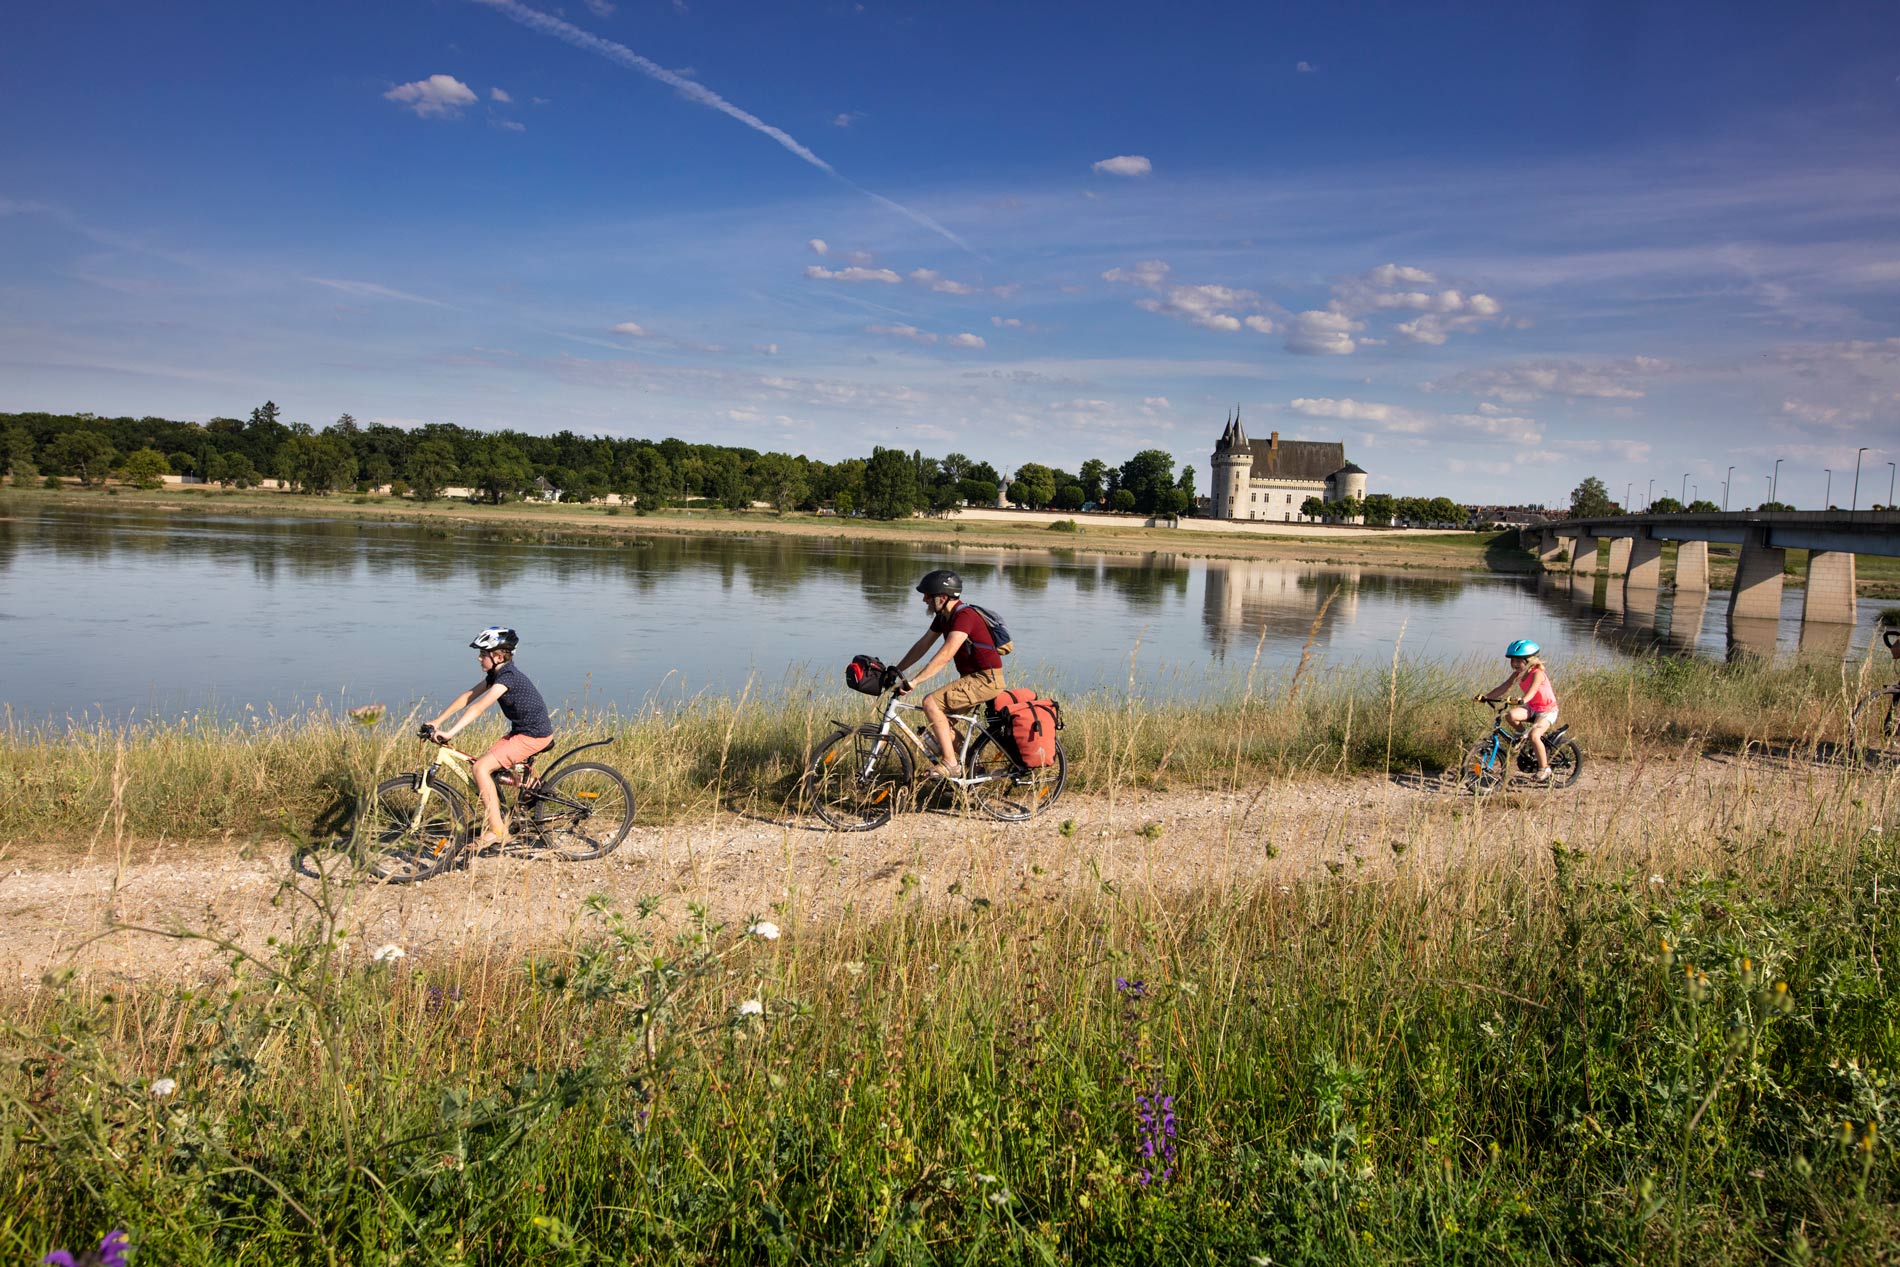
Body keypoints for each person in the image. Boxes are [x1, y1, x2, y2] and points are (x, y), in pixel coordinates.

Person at [423, 626, 554, 849]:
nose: (479, 658)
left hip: (533, 735)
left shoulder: (508, 677)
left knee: (481, 768)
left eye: (483, 654)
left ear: (498, 656)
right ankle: (530, 790)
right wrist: (437, 720)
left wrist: (450, 732)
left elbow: (479, 708)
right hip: (522, 731)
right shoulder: (496, 674)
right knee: (487, 768)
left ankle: (497, 831)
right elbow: (468, 697)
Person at [891, 568, 1008, 779]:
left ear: (942, 597)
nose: (924, 599)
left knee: (931, 703)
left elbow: (946, 654)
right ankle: (974, 769)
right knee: (933, 731)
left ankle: (951, 764)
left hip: (985, 679)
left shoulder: (965, 616)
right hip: (973, 679)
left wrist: (915, 681)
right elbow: (922, 645)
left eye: (928, 595)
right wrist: (897, 670)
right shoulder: (943, 617)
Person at [1478, 638, 1558, 781]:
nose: (1514, 664)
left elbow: (1532, 692)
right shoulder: (1518, 674)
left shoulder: (1537, 673)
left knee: (1535, 735)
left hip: (1547, 710)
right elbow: (1504, 687)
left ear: (1529, 661)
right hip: (1532, 707)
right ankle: (1523, 737)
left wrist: (1522, 700)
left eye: (1518, 661)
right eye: (1512, 661)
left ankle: (1544, 768)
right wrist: (1486, 696)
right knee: (1510, 715)